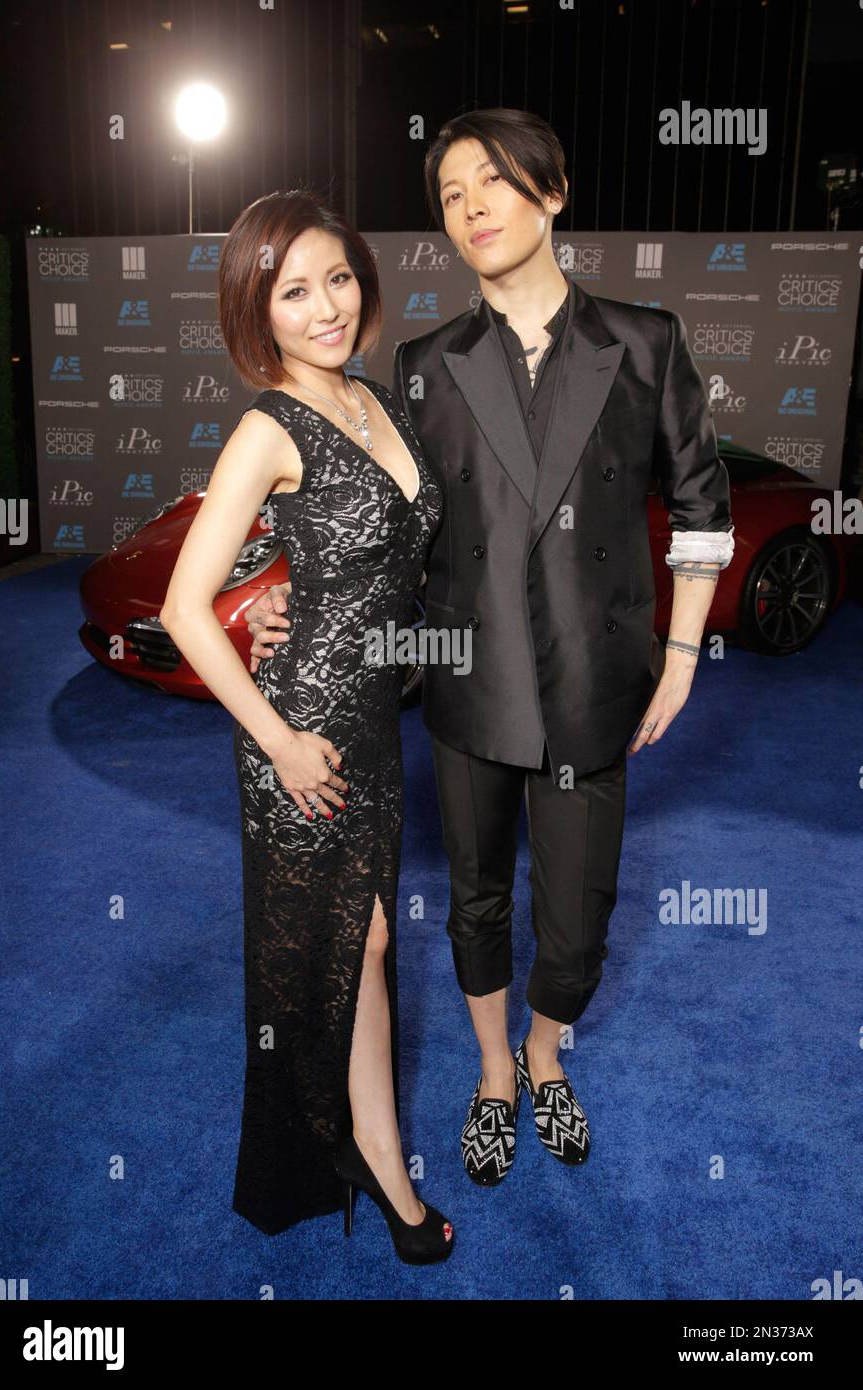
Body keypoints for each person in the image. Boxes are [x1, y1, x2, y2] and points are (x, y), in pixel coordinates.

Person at [247, 108, 734, 1191]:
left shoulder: (642, 341)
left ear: (551, 194)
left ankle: (545, 1049)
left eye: (494, 183)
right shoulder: (423, 363)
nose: (471, 207)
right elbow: (378, 513)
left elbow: (702, 508)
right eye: (451, 194)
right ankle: (492, 1074)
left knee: (574, 919)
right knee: (472, 899)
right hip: (466, 685)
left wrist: (683, 652)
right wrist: (296, 602)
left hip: (597, 685)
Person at [160, 189, 454, 1263]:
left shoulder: (375, 400)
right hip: (305, 735)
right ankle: (371, 1162)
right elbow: (184, 608)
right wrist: (278, 740)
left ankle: (355, 1150)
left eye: (337, 278)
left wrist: (282, 584)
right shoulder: (265, 424)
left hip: (375, 725)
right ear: (258, 309)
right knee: (350, 948)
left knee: (366, 945)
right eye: (293, 291)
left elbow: (360, 557)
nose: (324, 306)